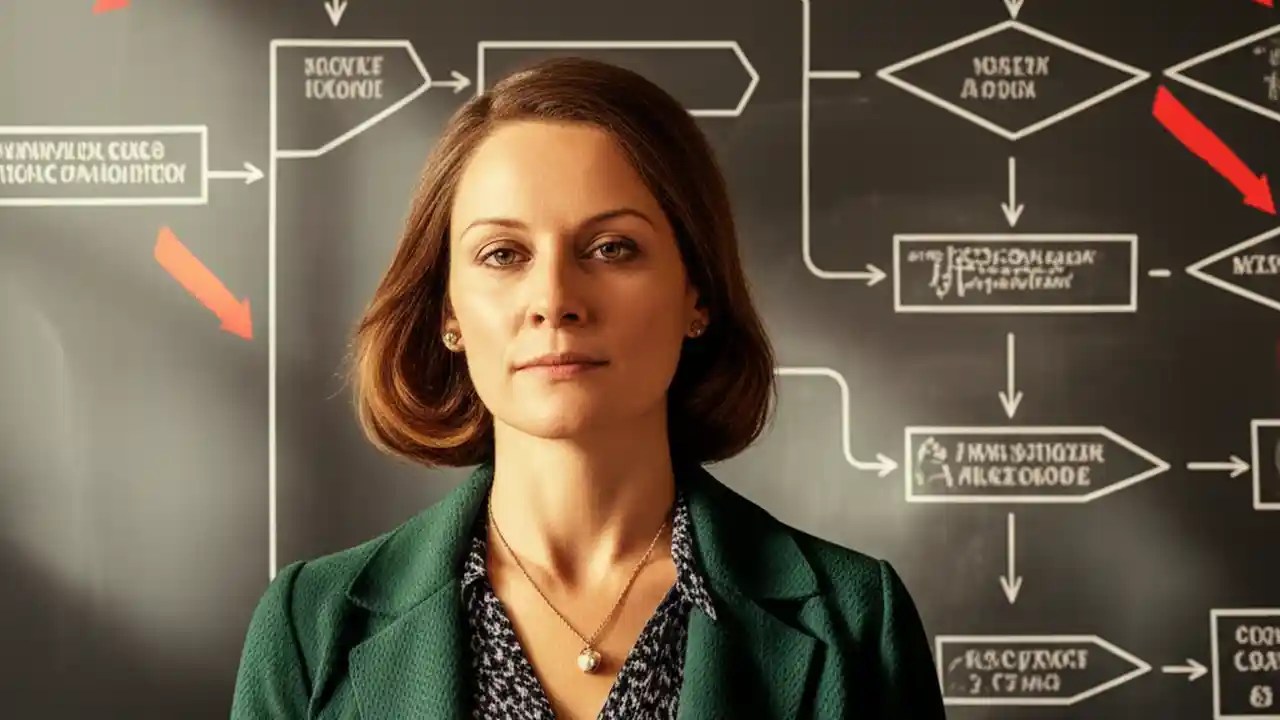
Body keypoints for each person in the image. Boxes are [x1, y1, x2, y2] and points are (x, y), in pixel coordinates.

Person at [229, 56, 945, 719]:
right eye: (502, 254)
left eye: (610, 248)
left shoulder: (855, 622)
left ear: (697, 292)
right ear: (448, 311)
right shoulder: (308, 627)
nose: (555, 298)